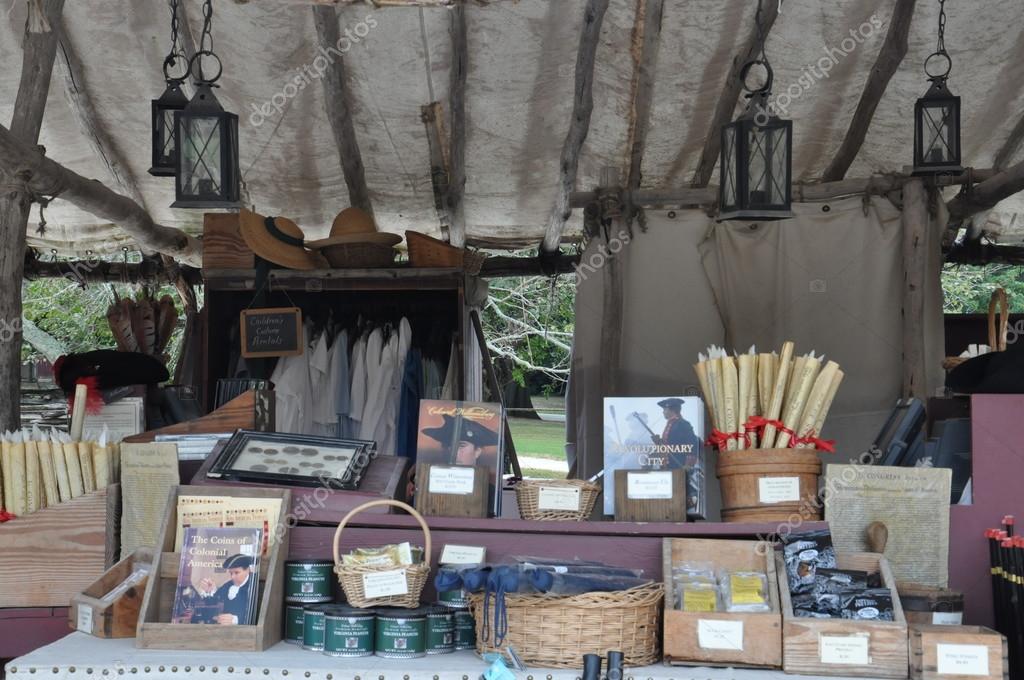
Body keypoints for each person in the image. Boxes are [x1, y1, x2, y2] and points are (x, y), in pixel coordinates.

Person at [197, 554, 256, 625]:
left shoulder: (254, 586)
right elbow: (212, 603)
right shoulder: (228, 585)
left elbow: (257, 613)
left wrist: (236, 620)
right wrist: (211, 591)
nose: (232, 577)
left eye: (236, 572)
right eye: (231, 573)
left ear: (247, 570)